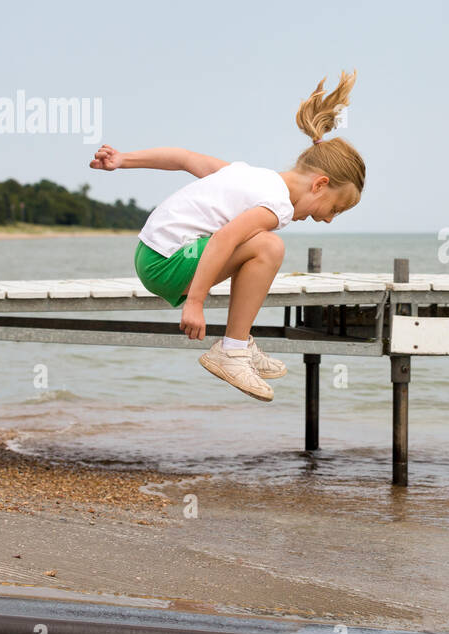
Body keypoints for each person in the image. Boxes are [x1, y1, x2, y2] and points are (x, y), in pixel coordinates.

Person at [89, 70, 363, 401]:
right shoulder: (274, 204)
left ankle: (239, 343)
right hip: (165, 262)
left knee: (262, 245)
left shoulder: (251, 176)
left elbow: (184, 158)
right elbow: (223, 240)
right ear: (319, 184)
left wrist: (123, 159)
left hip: (152, 254)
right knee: (268, 247)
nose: (329, 220)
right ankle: (232, 349)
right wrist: (195, 302)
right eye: (334, 208)